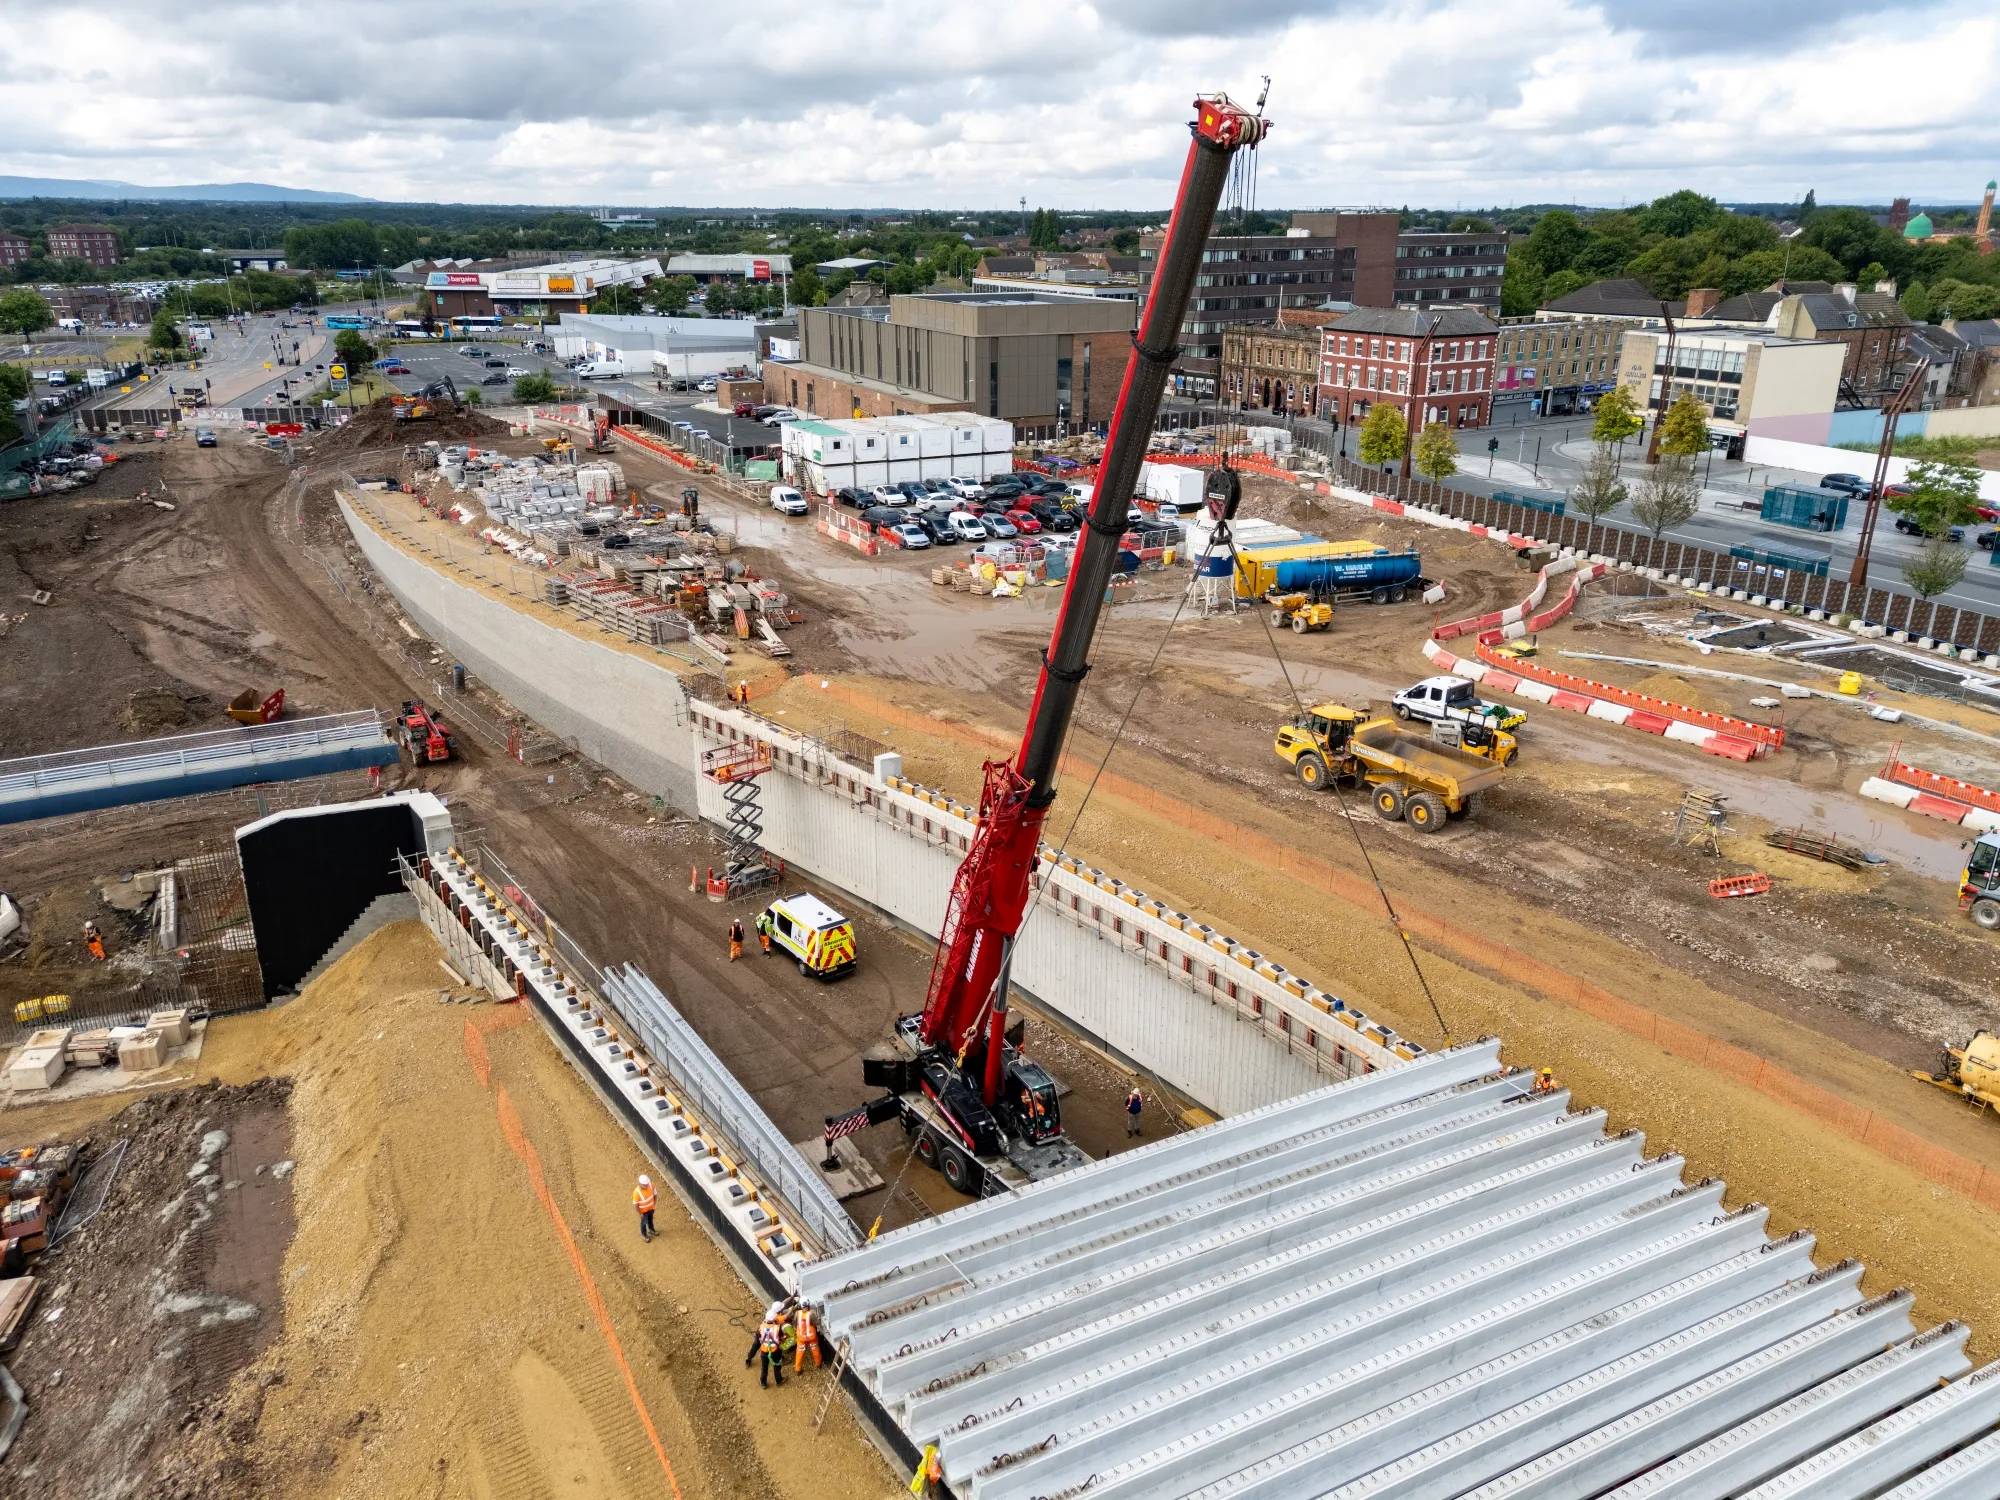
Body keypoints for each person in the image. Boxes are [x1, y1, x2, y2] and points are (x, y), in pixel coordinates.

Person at [794, 1304, 821, 1371]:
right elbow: (817, 1323)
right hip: (811, 1337)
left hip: (801, 1337)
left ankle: (797, 1369)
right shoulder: (811, 1314)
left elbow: (794, 1324)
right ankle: (818, 1364)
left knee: (799, 1353)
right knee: (815, 1350)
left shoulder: (797, 1313)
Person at [632, 1174, 656, 1241]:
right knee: (644, 1223)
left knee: (650, 1220)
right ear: (639, 1183)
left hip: (651, 1209)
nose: (646, 1186)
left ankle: (651, 1229)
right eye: (644, 1185)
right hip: (643, 1211)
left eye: (646, 1184)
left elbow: (655, 1194)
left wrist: (654, 1203)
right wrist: (640, 1213)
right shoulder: (636, 1192)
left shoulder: (651, 1186)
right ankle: (644, 1235)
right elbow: (635, 1204)